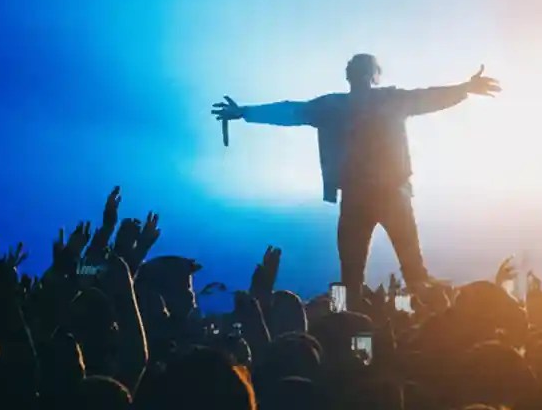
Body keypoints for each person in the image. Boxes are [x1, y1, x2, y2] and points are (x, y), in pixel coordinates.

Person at [211, 54, 500, 309]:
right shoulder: (383, 101)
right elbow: (429, 98)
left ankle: (343, 325)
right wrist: (465, 88)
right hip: (386, 196)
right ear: (374, 76)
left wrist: (245, 112)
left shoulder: (335, 106)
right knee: (409, 272)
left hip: (362, 197)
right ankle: (424, 326)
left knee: (352, 277)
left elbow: (290, 111)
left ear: (349, 75)